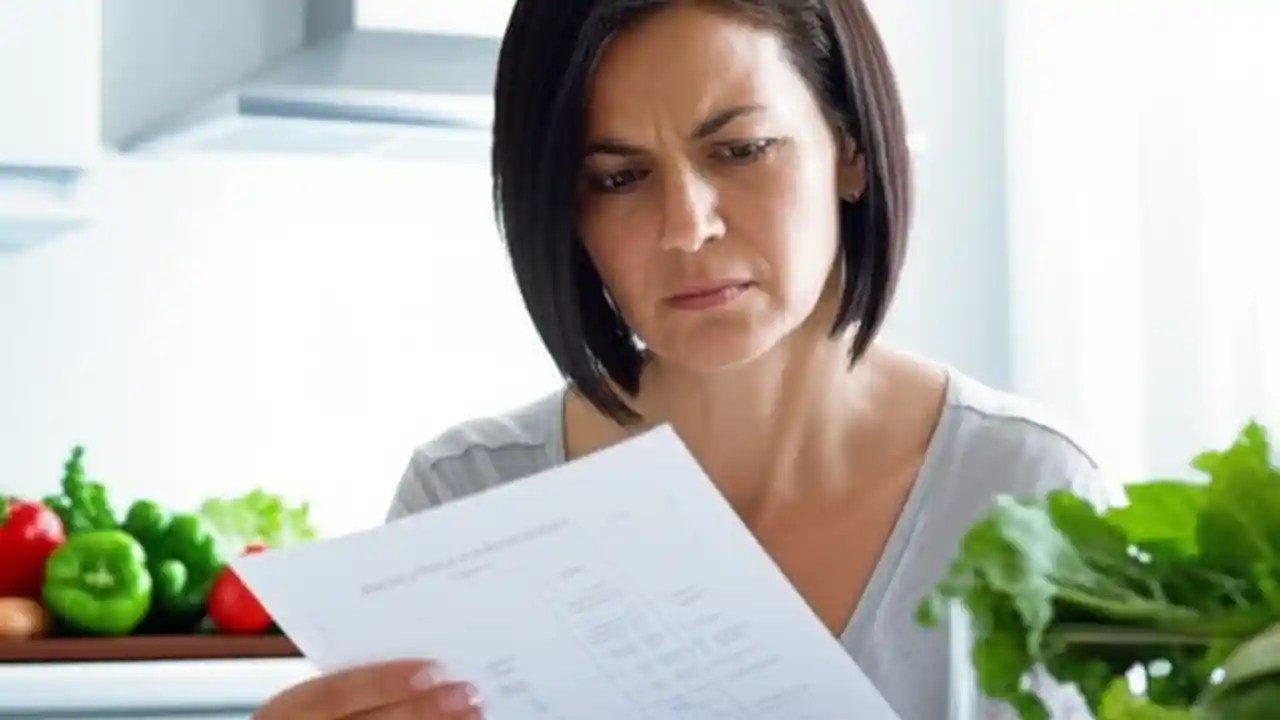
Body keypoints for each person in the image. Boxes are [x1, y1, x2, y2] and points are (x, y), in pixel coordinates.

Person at [254, 0, 1107, 718]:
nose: (686, 226)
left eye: (739, 151)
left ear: (848, 146)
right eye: (619, 178)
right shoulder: (465, 501)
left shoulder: (1026, 489)